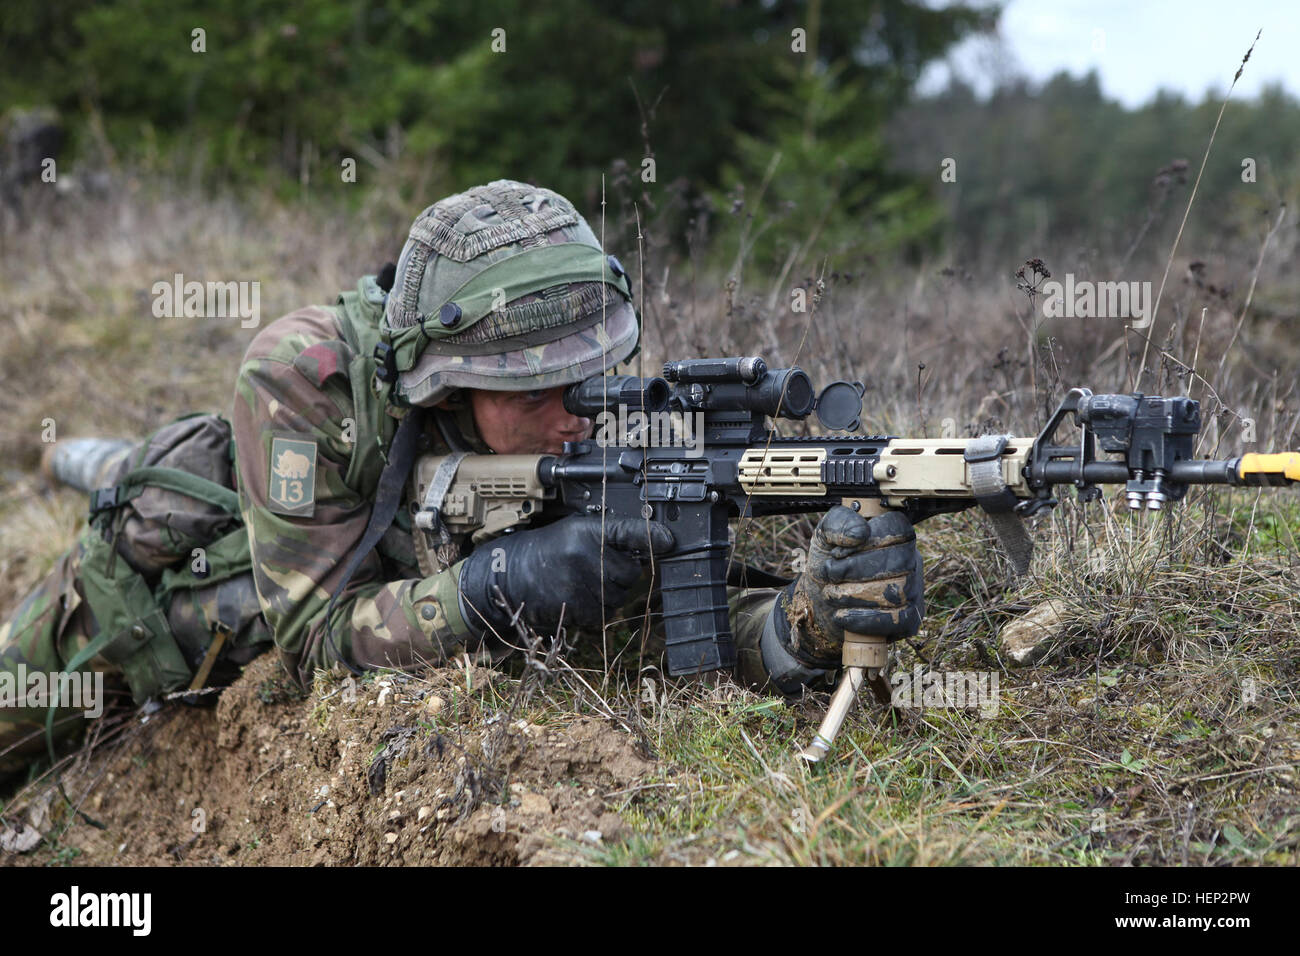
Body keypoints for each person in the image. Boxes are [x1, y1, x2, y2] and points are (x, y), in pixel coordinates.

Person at [0, 179, 923, 784]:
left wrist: (805, 623)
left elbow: (665, 634)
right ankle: (57, 459)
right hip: (177, 580)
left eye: (593, 373)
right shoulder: (304, 376)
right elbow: (312, 634)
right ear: (445, 377)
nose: (582, 410)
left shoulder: (581, 413)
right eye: (541, 389)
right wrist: (499, 587)